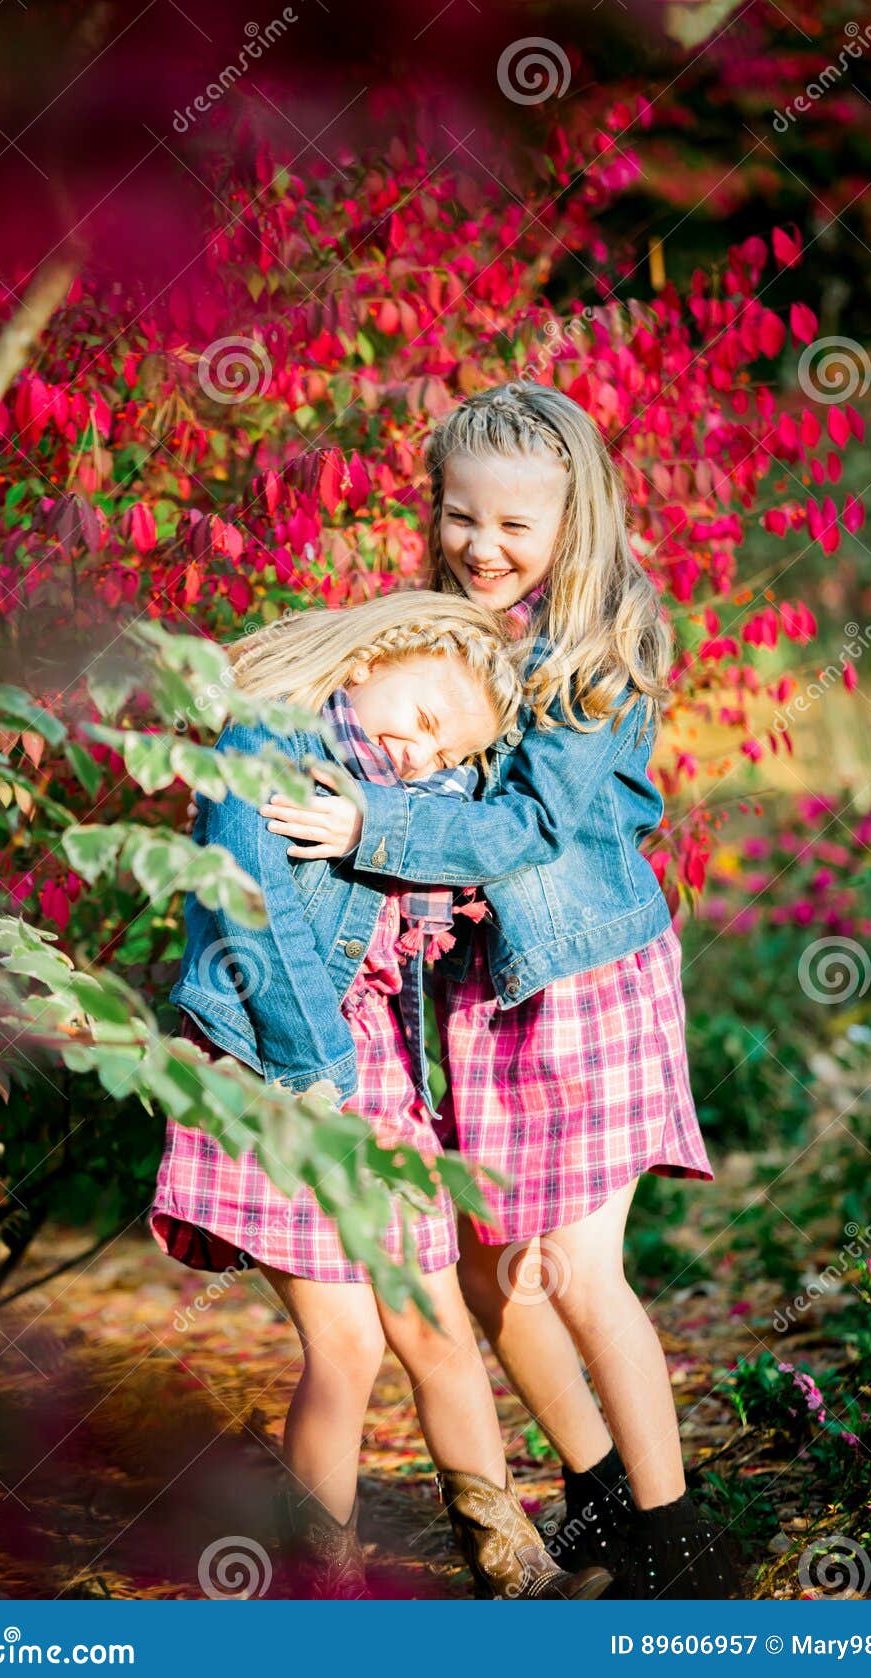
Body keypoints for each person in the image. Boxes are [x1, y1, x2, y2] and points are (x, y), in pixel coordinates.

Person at [259, 383, 741, 1599]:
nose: (481, 547)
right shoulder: (451, 623)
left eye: (514, 527)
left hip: (578, 980)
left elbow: (526, 823)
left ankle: (678, 1542)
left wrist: (373, 819)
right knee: (487, 1269)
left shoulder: (596, 642)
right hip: (481, 991)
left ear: (576, 522)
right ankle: (596, 1502)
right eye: (458, 517)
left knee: (576, 1269)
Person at [153, 590, 611, 1601]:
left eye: (451, 748)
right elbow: (247, 902)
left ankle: (515, 1569)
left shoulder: (404, 788)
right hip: (275, 1077)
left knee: (440, 1333)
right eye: (433, 720)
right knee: (348, 1343)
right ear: (396, 648)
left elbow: (479, 845)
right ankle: (326, 1590)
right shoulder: (269, 730)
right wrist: (312, 1072)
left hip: (380, 1085)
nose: (428, 752)